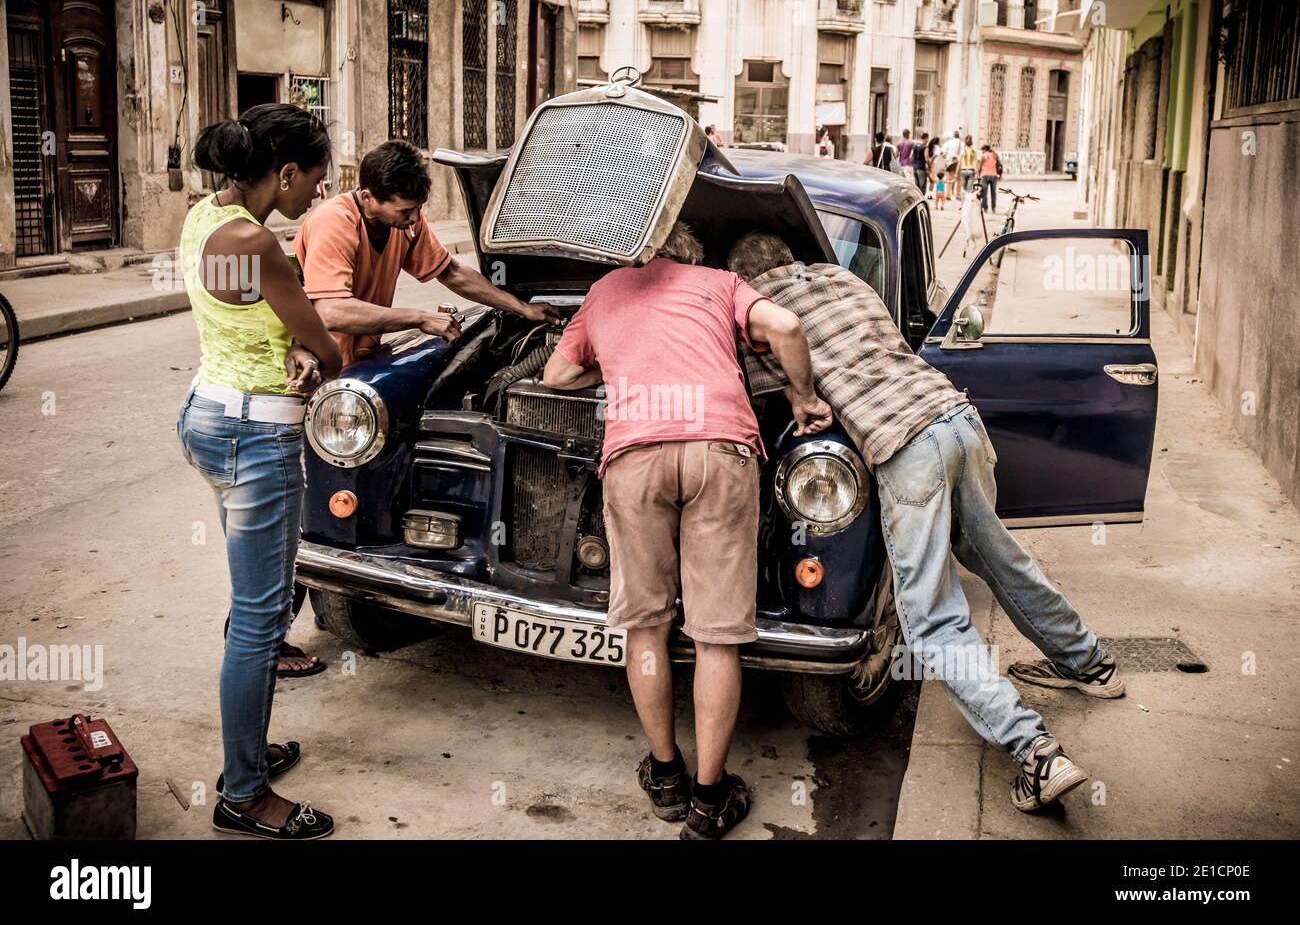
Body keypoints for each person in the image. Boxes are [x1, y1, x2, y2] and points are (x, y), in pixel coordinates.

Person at [728, 232, 1127, 812]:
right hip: (956, 417)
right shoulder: (845, 282)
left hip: (909, 450)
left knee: (931, 622)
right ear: (790, 259)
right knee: (1001, 560)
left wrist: (796, 388)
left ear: (744, 279)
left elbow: (757, 388)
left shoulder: (762, 316)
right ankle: (1090, 663)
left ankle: (1036, 753)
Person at [542, 221, 831, 839]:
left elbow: (555, 378)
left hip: (634, 455)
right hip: (719, 448)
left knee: (646, 626)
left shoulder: (604, 291)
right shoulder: (719, 282)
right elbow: (787, 327)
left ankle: (666, 777)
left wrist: (617, 366)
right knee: (716, 635)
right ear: (691, 254)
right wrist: (803, 398)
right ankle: (709, 800)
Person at [178, 103, 344, 839]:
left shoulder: (204, 216)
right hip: (257, 436)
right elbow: (325, 345)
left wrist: (297, 344)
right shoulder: (256, 241)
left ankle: (247, 752)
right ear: (282, 172)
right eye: (313, 179)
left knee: (253, 606)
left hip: (209, 415)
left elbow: (261, 322)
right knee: (262, 620)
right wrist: (313, 350)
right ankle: (243, 793)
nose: (317, 193)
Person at [294, 140, 561, 370]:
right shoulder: (333, 222)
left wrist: (522, 308)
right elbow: (332, 311)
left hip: (361, 360)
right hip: (314, 364)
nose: (413, 219)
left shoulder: (407, 223)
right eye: (404, 211)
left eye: (418, 209)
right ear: (368, 198)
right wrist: (420, 318)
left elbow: (451, 272)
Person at [979, 143, 1001, 212]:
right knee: (993, 193)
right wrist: (1000, 175)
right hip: (994, 176)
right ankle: (993, 208)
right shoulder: (995, 155)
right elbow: (999, 165)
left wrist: (978, 174)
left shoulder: (984, 156)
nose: (982, 152)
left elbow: (980, 167)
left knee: (984, 193)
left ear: (985, 149)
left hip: (985, 175)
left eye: (982, 150)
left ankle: (985, 208)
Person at [942, 130, 963, 197]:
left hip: (950, 162)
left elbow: (942, 152)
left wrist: (945, 159)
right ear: (959, 136)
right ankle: (958, 194)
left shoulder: (948, 142)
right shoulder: (962, 143)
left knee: (949, 179)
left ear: (953, 135)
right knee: (959, 179)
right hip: (958, 162)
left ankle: (948, 195)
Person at [959, 134, 979, 200]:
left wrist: (957, 172)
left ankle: (962, 204)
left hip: (963, 170)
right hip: (971, 170)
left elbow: (959, 162)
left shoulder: (963, 151)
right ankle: (966, 204)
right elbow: (976, 162)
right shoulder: (973, 151)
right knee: (968, 189)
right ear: (972, 142)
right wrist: (978, 173)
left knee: (963, 189)